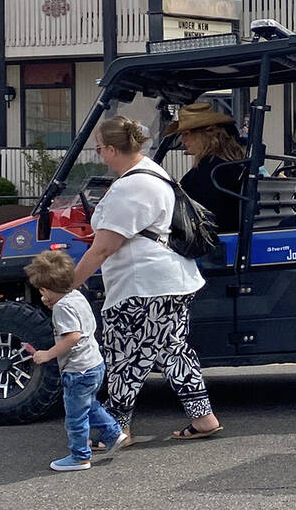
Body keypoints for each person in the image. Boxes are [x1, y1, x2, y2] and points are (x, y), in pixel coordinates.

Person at [71, 116, 221, 442]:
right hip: (172, 280)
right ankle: (204, 418)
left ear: (112, 149)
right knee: (173, 351)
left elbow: (103, 248)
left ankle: (115, 429)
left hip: (143, 285)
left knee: (124, 355)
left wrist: (67, 285)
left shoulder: (131, 187)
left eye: (99, 149)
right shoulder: (154, 172)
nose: (99, 155)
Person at [25, 249, 129, 472]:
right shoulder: (75, 295)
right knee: (89, 405)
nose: (43, 297)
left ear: (49, 288)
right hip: (94, 364)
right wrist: (54, 301)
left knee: (75, 416)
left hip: (78, 369)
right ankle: (113, 433)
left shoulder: (62, 308)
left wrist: (47, 354)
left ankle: (79, 456)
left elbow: (72, 337)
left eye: (43, 291)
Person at [167, 103, 247, 233]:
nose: (183, 140)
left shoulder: (209, 170)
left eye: (186, 133)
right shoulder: (231, 166)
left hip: (210, 244)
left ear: (205, 134)